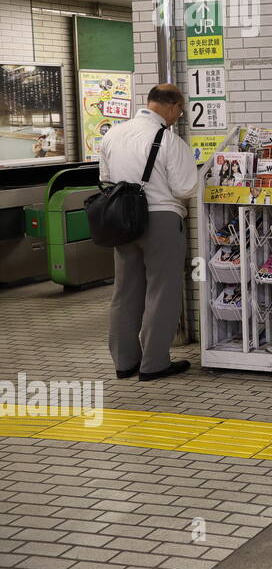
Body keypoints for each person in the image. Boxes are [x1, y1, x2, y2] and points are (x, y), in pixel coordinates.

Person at [98, 84, 199, 381]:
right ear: (170, 106)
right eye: (179, 110)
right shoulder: (168, 140)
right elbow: (185, 187)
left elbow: (104, 178)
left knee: (125, 292)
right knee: (162, 291)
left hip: (122, 222)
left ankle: (125, 362)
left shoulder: (112, 135)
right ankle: (154, 364)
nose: (178, 116)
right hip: (161, 220)